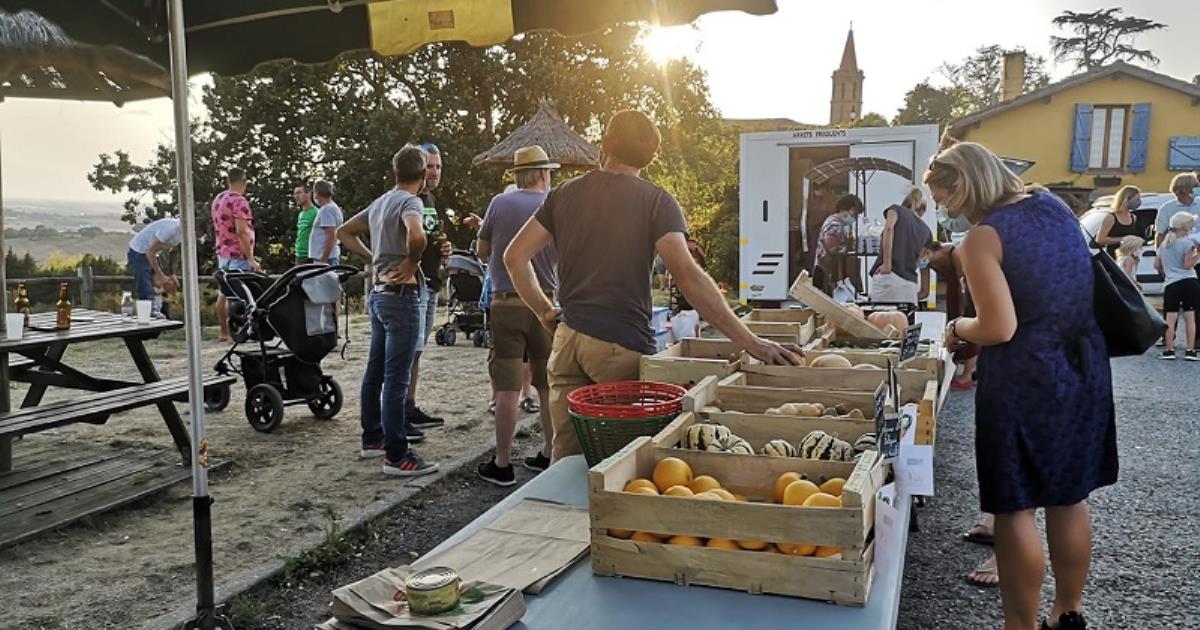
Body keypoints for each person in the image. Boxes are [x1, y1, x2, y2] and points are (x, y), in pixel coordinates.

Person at [504, 110, 803, 463]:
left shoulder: (564, 194)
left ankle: (557, 519)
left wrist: (543, 310)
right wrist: (751, 342)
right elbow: (688, 276)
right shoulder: (656, 201)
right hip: (619, 347)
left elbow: (514, 257)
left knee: (566, 461)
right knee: (627, 466)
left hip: (567, 341)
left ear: (606, 144)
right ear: (651, 155)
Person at [931, 141, 1116, 630]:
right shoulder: (1053, 205)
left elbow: (998, 327)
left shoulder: (980, 239)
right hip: (1083, 363)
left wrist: (955, 330)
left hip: (1024, 375)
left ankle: (1021, 626)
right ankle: (1069, 612)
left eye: (945, 197)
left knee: (1015, 505)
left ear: (965, 185)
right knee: (1069, 496)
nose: (945, 208)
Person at [335, 144, 437, 477]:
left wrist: (374, 258)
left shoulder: (380, 203)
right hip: (401, 296)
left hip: (378, 294)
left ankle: (373, 437)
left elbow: (344, 232)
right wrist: (410, 261)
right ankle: (397, 455)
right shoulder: (411, 202)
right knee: (397, 379)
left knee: (375, 372)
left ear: (395, 173)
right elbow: (417, 235)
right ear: (422, 177)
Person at [474, 145, 560, 485]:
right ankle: (550, 456)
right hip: (545, 303)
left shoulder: (499, 203)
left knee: (508, 388)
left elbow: (482, 250)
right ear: (542, 173)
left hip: (506, 301)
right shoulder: (553, 205)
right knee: (546, 384)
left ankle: (503, 464)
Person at [406, 142, 454, 434]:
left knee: (418, 350)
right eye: (430, 166)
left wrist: (443, 246)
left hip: (431, 283)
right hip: (415, 285)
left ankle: (409, 406)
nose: (434, 172)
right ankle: (399, 412)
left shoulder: (430, 201)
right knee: (408, 350)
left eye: (438, 167)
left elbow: (431, 237)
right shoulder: (408, 198)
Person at [211, 168, 261, 342]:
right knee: (243, 296)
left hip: (222, 252)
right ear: (243, 182)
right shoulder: (239, 201)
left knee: (223, 293)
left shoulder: (219, 199)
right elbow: (242, 231)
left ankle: (224, 331)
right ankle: (242, 330)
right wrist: (250, 258)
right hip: (238, 253)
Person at [869, 188, 933, 306]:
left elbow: (889, 228)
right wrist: (914, 295)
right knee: (904, 323)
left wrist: (887, 264)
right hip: (910, 287)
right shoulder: (927, 231)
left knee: (878, 322)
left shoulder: (895, 210)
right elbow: (925, 290)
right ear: (923, 210)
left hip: (888, 279)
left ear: (905, 203)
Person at [1156, 212, 1200, 361]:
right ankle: (1190, 350)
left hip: (1171, 282)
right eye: (1190, 224)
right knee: (1190, 317)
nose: (1192, 227)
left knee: (1170, 317)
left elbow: (1157, 265)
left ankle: (1169, 349)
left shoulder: (1164, 244)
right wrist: (1198, 254)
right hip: (1189, 281)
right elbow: (1188, 264)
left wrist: (1168, 271)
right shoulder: (1188, 244)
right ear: (1184, 226)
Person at [127, 217, 184, 318]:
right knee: (146, 284)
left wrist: (172, 273)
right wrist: (160, 275)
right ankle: (150, 313)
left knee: (160, 283)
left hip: (153, 253)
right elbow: (150, 252)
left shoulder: (182, 233)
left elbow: (173, 252)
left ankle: (160, 311)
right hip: (139, 251)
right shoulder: (171, 229)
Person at [813, 194, 864, 295]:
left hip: (827, 271)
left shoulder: (837, 222)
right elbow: (832, 249)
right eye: (854, 214)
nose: (855, 218)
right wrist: (847, 246)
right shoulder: (834, 225)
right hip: (827, 273)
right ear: (845, 210)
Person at [1093, 185, 1142, 258]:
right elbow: (1100, 240)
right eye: (1137, 199)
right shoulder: (1111, 217)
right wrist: (1123, 239)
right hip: (1113, 257)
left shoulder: (1133, 217)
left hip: (1128, 258)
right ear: (1126, 200)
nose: (1139, 202)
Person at [1153, 173, 1199, 250]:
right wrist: (1159, 255)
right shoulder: (1166, 209)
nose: (1198, 188)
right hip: (1176, 253)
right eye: (1195, 186)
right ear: (1185, 189)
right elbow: (1160, 234)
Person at [309, 179, 343, 266]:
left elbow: (331, 235)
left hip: (325, 258)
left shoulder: (326, 210)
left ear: (317, 193)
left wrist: (323, 260)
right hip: (328, 257)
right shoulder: (333, 207)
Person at [293, 183, 319, 265]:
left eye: (299, 193)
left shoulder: (316, 213)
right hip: (299, 254)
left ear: (309, 194)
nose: (296, 196)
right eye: (295, 194)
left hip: (310, 255)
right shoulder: (301, 214)